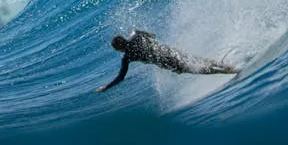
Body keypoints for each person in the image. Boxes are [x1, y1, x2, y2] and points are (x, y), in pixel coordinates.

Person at [96, 30, 239, 92]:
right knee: (197, 59)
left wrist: (106, 87)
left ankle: (229, 71)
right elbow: (152, 35)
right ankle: (226, 65)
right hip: (169, 51)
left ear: (120, 48)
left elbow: (121, 77)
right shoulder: (135, 35)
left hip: (166, 63)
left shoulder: (127, 57)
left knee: (196, 69)